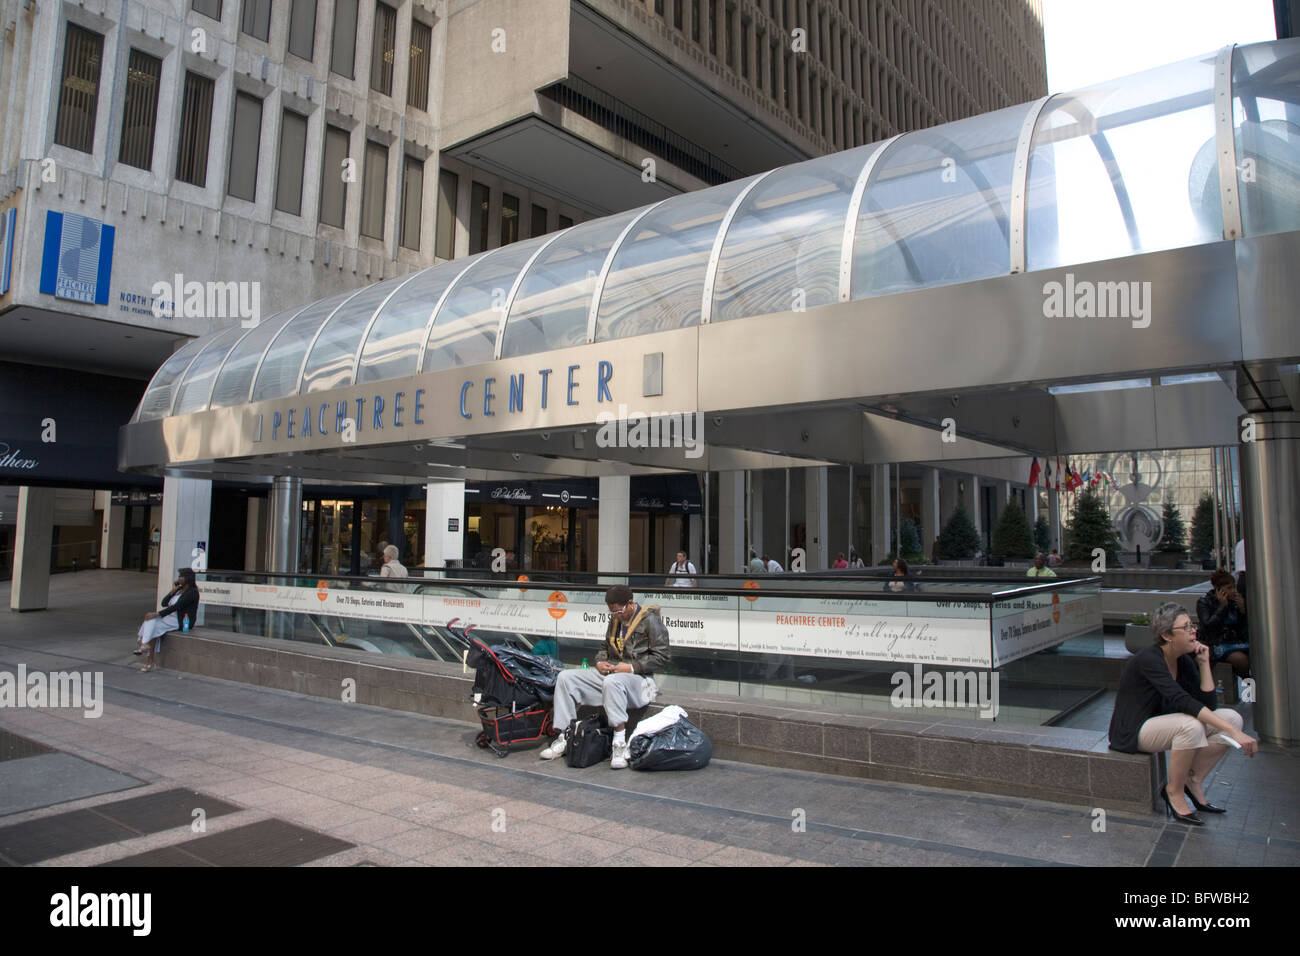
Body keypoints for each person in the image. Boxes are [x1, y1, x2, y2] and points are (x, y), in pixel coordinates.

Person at [1108, 602, 1257, 824]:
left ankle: (1192, 780)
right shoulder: (1149, 659)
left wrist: (1204, 664)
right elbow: (1182, 701)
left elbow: (1207, 704)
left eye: (1192, 625)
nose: (1193, 630)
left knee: (1232, 718)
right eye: (1186, 627)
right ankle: (1173, 791)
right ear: (1167, 635)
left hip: (1163, 724)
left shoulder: (1183, 660)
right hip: (1132, 731)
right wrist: (1233, 733)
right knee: (1192, 726)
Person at [540, 586, 671, 769]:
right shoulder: (615, 620)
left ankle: (619, 743)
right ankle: (565, 736)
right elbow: (604, 648)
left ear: (630, 604)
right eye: (612, 611)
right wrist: (600, 662)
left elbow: (663, 657)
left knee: (612, 681)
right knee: (565, 677)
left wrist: (632, 667)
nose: (616, 615)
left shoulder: (650, 620)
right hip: (614, 675)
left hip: (640, 680)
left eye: (619, 610)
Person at [134, 569, 200, 673]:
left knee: (152, 623)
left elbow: (177, 607)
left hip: (181, 620)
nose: (178, 579)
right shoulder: (179, 590)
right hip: (169, 618)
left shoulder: (192, 592)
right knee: (149, 619)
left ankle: (146, 650)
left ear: (188, 578)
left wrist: (157, 614)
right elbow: (164, 603)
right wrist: (172, 592)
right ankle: (145, 646)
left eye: (181, 576)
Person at [1196, 570, 1250, 678]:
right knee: (1241, 660)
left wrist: (1243, 611)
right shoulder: (1205, 602)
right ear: (1219, 589)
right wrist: (1222, 607)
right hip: (1217, 643)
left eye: (1234, 587)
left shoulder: (1235, 603)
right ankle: (1248, 685)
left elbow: (1242, 629)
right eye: (1229, 588)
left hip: (1236, 641)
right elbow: (1209, 626)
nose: (1234, 591)